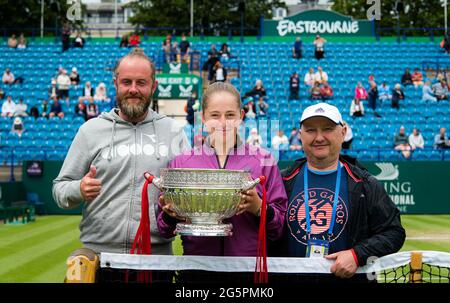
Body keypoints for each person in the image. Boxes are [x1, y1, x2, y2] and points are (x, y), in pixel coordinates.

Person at [52, 48, 190, 282]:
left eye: (141, 83)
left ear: (153, 86)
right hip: (100, 262)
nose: (133, 89)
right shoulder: (90, 130)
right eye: (126, 82)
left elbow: (188, 192)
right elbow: (59, 189)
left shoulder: (173, 131)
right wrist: (79, 189)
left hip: (156, 262)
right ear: (115, 83)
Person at [156, 81, 287, 282]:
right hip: (196, 272)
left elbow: (279, 229)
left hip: (248, 272)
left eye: (230, 115)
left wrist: (259, 208)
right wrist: (172, 214)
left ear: (241, 116)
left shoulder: (264, 161)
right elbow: (163, 229)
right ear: (203, 118)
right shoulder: (182, 162)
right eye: (215, 115)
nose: (223, 122)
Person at [270, 102, 405, 281]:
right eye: (310, 130)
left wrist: (357, 255)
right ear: (300, 135)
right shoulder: (280, 181)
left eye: (327, 129)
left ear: (342, 133)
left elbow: (394, 232)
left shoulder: (365, 184)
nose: (319, 137)